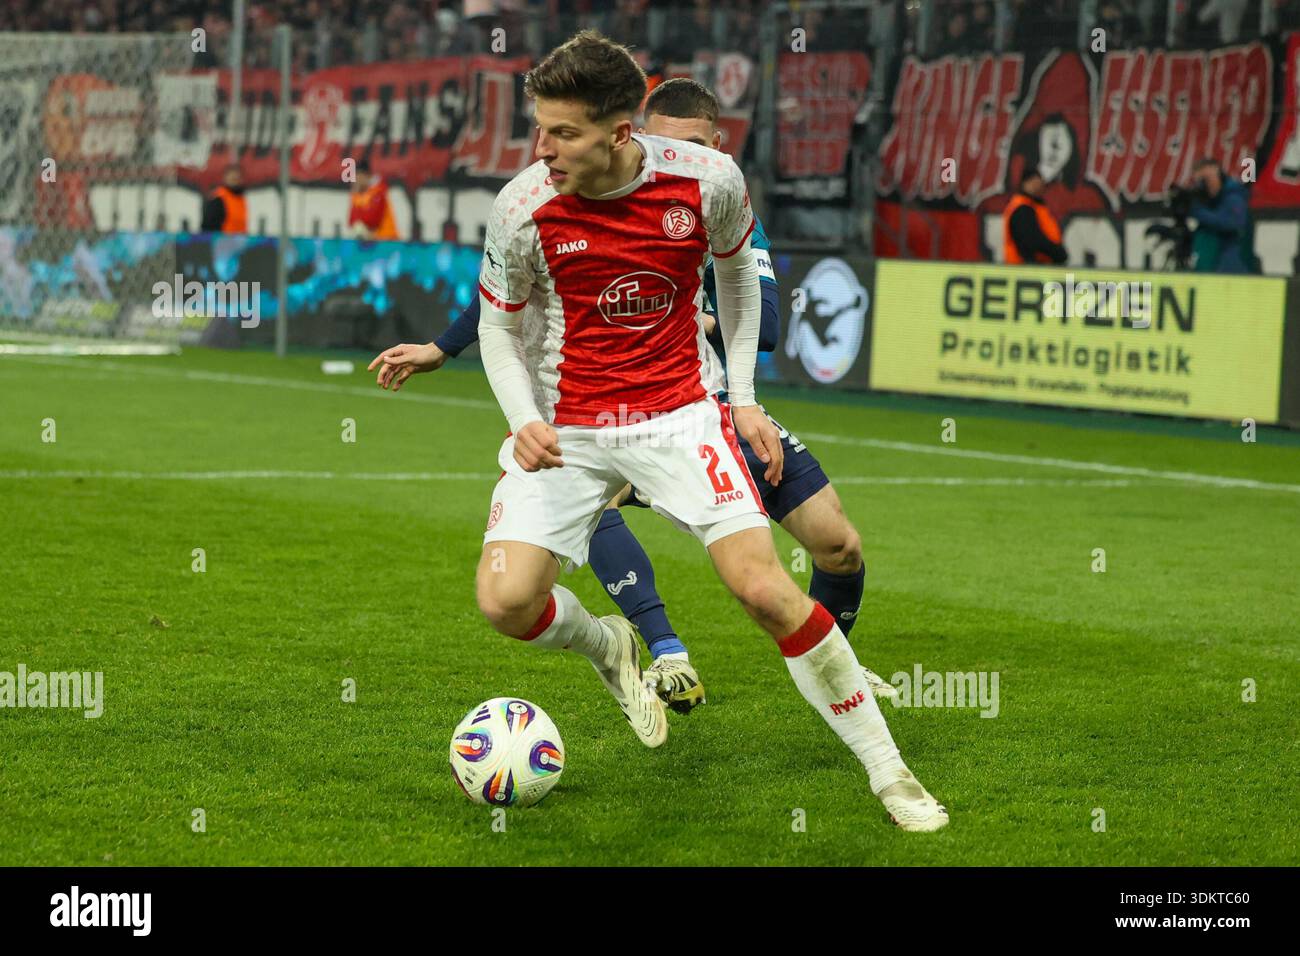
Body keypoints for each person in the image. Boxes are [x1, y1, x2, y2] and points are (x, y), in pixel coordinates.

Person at [369, 32, 946, 831]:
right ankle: (609, 645)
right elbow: (498, 328)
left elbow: (742, 279)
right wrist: (523, 419)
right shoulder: (523, 204)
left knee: (765, 589)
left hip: (680, 414)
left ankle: (891, 775)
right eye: (539, 129)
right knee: (505, 602)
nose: (544, 149)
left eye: (563, 132)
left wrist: (741, 397)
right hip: (570, 425)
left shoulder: (706, 179)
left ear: (619, 131)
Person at [1188, 159, 1257, 275]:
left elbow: (1233, 222)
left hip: (1232, 268)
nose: (1206, 186)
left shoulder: (1234, 196)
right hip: (1214, 266)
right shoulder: (1210, 202)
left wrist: (1198, 212)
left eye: (1206, 180)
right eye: (1200, 182)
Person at [1003, 170, 1067, 265]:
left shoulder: (1034, 206)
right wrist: (1057, 253)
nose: (1037, 186)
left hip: (1035, 268)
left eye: (1038, 183)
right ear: (1024, 184)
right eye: (1033, 182)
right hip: (1026, 270)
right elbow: (1031, 241)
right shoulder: (1023, 208)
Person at [348, 160, 399, 240]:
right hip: (372, 243)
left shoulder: (379, 192)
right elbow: (351, 221)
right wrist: (355, 196)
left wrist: (359, 219)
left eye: (358, 176)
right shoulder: (358, 195)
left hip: (387, 241)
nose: (355, 181)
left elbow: (373, 220)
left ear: (366, 175)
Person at [200, 164, 247, 234]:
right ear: (225, 178)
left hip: (240, 242)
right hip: (222, 242)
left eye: (237, 178)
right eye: (233, 178)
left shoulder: (241, 199)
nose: (235, 181)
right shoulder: (218, 199)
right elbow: (208, 227)